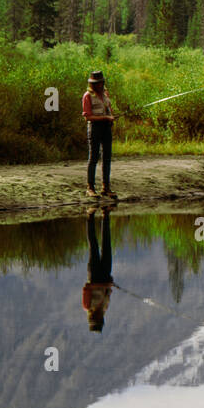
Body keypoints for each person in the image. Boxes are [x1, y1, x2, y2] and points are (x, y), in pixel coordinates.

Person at [82, 70, 117, 198]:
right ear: (92, 84)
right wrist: (105, 118)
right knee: (93, 158)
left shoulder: (106, 94)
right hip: (95, 128)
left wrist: (110, 117)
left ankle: (105, 188)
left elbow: (109, 110)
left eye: (100, 83)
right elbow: (88, 117)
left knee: (107, 158)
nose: (99, 85)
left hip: (106, 128)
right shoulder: (87, 96)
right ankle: (90, 188)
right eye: (96, 83)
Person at [82, 206, 114, 332]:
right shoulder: (104, 308)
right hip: (106, 274)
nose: (100, 318)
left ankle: (90, 216)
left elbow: (86, 287)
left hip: (94, 274)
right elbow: (108, 292)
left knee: (93, 245)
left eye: (98, 319)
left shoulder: (87, 306)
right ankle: (105, 215)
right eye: (100, 320)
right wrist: (109, 285)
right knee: (107, 245)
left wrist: (103, 285)